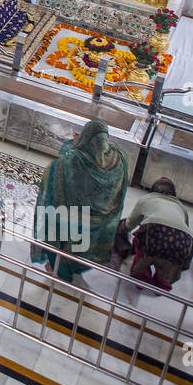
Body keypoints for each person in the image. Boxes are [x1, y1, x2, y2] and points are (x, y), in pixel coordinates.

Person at [31, 119, 129, 285]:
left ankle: (62, 275)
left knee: (59, 239)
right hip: (97, 221)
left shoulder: (67, 165)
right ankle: (76, 268)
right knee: (83, 247)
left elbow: (54, 178)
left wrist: (77, 145)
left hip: (71, 217)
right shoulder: (118, 160)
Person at [121, 177, 193, 291]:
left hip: (154, 235)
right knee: (170, 263)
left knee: (140, 237)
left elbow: (130, 224)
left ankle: (141, 278)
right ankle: (162, 283)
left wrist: (122, 229)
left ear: (153, 190)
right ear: (173, 193)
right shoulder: (181, 207)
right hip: (181, 243)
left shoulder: (147, 199)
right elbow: (186, 232)